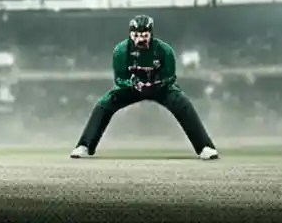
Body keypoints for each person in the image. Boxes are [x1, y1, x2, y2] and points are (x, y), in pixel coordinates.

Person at [70, 15, 219, 160]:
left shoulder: (164, 50)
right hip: (132, 88)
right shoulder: (121, 51)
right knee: (104, 104)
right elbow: (119, 79)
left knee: (183, 103)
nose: (140, 39)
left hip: (160, 88)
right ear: (130, 34)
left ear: (151, 34)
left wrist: (156, 85)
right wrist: (134, 85)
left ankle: (205, 147)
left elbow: (171, 77)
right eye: (136, 35)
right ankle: (85, 145)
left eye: (144, 35)